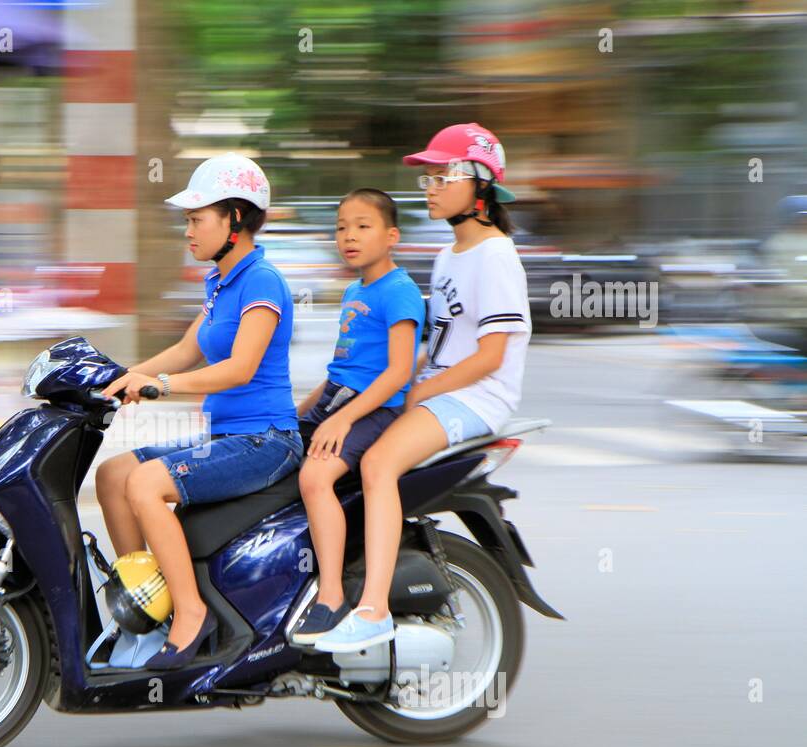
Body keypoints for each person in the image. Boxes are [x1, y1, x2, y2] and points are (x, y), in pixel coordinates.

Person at [310, 123, 532, 653]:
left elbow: (491, 355)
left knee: (377, 464)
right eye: (427, 178)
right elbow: (439, 341)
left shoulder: (496, 255)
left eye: (443, 176)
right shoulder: (449, 254)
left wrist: (417, 393)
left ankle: (372, 609)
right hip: (441, 390)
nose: (430, 187)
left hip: (477, 397)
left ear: (480, 183)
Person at [98, 153, 303, 669]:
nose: (187, 231)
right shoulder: (220, 281)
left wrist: (159, 387)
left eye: (196, 219)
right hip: (227, 435)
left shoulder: (262, 281)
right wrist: (117, 378)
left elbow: (239, 368)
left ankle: (190, 614)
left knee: (147, 485)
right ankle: (143, 608)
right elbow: (188, 350)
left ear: (235, 218)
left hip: (265, 441)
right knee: (113, 474)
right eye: (187, 220)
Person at [292, 189, 425, 644]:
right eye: (341, 227)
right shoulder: (354, 289)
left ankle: (330, 598)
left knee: (314, 477)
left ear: (391, 236)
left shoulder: (400, 291)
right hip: (337, 399)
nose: (349, 236)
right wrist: (301, 412)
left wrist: (343, 419)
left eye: (362, 226)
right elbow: (340, 370)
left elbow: (398, 373)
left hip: (373, 409)